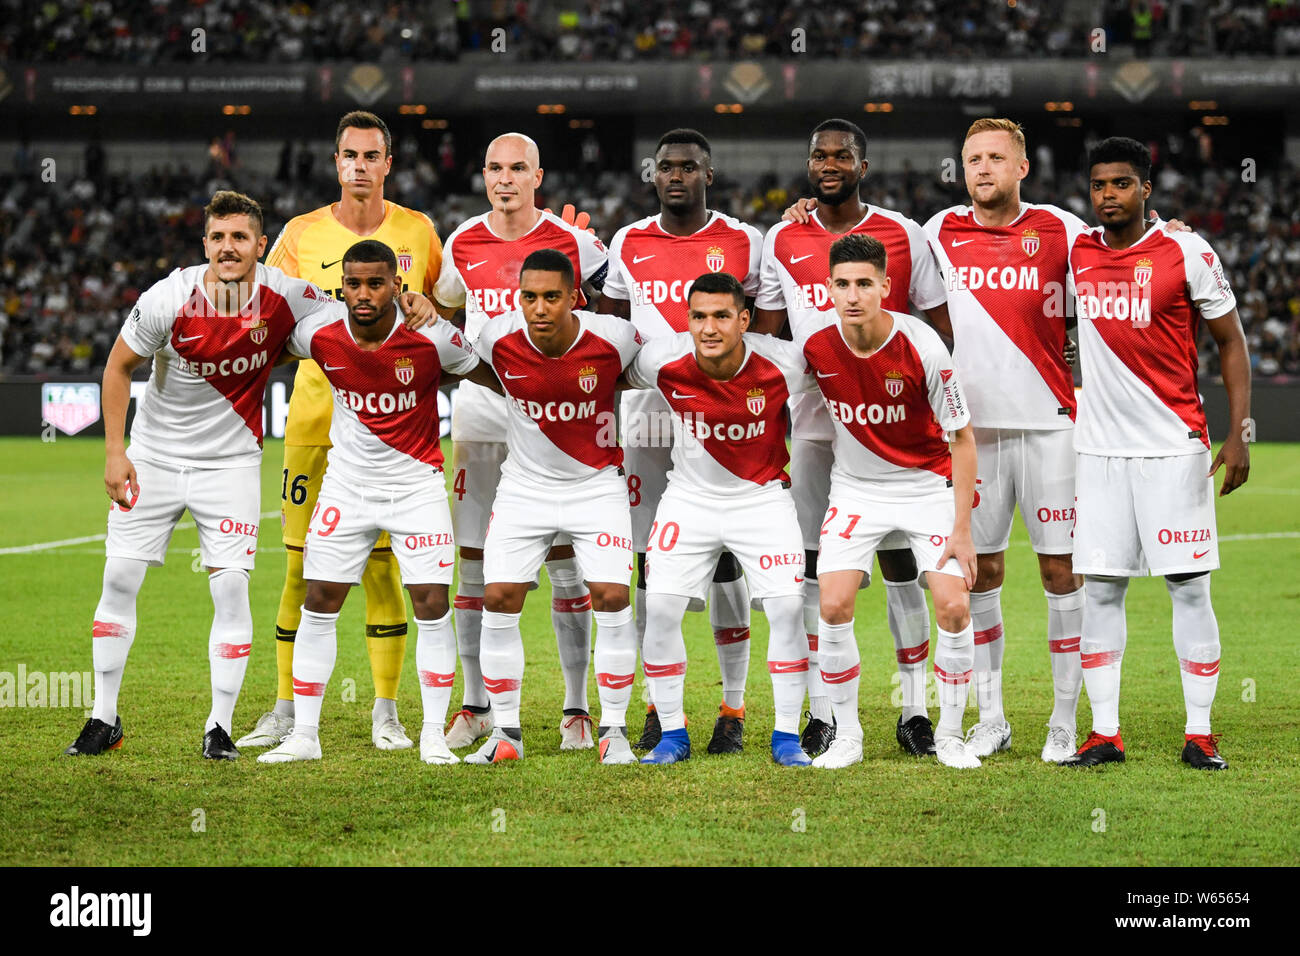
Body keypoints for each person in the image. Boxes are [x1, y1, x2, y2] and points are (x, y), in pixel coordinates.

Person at [65, 191, 337, 760]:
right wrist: (115, 454)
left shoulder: (286, 295)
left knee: (231, 588)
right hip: (156, 458)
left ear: (262, 246)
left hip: (231, 465)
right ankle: (103, 717)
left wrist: (410, 309)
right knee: (118, 579)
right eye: (218, 237)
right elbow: (117, 367)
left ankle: (218, 727)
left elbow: (351, 320)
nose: (228, 248)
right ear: (205, 243)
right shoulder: (170, 295)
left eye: (240, 238)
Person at [237, 111, 443, 754]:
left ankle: (386, 711)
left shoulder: (420, 232)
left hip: (396, 442)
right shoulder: (299, 234)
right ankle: (284, 708)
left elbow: (438, 317)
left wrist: (434, 309)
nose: (359, 165)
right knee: (300, 571)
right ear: (336, 163)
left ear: (388, 163)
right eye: (348, 155)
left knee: (385, 572)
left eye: (371, 155)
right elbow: (263, 314)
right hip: (312, 426)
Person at [258, 240, 501, 765]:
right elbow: (264, 346)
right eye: (353, 284)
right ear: (340, 286)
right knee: (318, 602)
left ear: (397, 285)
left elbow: (489, 374)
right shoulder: (319, 333)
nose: (363, 294)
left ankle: (433, 734)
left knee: (432, 608)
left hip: (416, 489)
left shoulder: (431, 337)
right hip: (346, 490)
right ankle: (305, 735)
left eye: (375, 283)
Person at [756, 119, 949, 758]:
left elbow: (937, 325)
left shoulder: (903, 233)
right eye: (819, 155)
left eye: (842, 155)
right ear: (808, 164)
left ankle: (914, 710)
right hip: (813, 430)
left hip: (890, 432)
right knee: (816, 570)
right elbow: (769, 337)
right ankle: (822, 711)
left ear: (863, 165)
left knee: (900, 565)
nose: (829, 163)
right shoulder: (782, 236)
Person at [1064, 136, 1250, 770]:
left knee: (1189, 589)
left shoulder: (1186, 249)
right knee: (1102, 593)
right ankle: (1105, 734)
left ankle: (1199, 734)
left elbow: (1231, 340)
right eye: (1098, 185)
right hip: (1097, 453)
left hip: (1174, 447)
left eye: (1121, 183)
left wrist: (1238, 430)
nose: (1108, 195)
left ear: (1146, 187)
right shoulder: (1076, 248)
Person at [922, 118, 1092, 762]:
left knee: (1061, 572)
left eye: (995, 157)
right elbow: (874, 253)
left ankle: (1064, 719)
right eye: (971, 159)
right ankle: (991, 717)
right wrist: (801, 208)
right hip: (974, 435)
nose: (982, 168)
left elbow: (1119, 266)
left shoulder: (1062, 229)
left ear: (1022, 167)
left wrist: (1171, 234)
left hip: (1052, 427)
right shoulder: (940, 231)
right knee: (980, 571)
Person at [435, 133, 609, 752]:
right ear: (483, 175)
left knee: (565, 567)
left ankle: (576, 709)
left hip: (555, 419)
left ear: (539, 176)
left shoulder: (577, 244)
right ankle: (478, 704)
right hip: (482, 415)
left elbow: (613, 310)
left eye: (518, 169)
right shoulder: (461, 243)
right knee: (476, 561)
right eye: (495, 169)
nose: (505, 179)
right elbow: (445, 308)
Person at [597, 128, 763, 754]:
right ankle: (655, 705)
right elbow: (612, 339)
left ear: (708, 175)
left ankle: (732, 709)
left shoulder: (746, 241)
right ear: (652, 174)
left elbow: (765, 334)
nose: (676, 176)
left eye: (689, 167)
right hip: (647, 424)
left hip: (723, 423)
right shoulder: (628, 240)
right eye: (666, 167)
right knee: (647, 569)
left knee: (725, 562)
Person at [798, 234, 980, 770]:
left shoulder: (923, 347)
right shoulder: (815, 345)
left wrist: (962, 529)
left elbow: (962, 437)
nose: (852, 295)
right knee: (832, 605)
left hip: (926, 487)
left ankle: (949, 734)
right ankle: (848, 735)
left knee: (953, 606)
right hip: (856, 491)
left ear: (885, 286)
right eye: (842, 284)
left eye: (863, 284)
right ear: (828, 288)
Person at [625, 272, 814, 767]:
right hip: (689, 499)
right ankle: (672, 734)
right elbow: (609, 370)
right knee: (660, 608)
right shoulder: (662, 359)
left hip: (762, 500)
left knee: (788, 610)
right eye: (700, 316)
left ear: (744, 320)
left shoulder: (785, 363)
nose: (709, 328)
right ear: (687, 319)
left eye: (722, 316)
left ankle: (786, 738)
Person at [464, 249, 642, 765]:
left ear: (573, 298)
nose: (538, 308)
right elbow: (468, 366)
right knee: (497, 596)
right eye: (528, 297)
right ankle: (507, 736)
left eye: (550, 297)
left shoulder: (615, 338)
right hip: (524, 489)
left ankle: (613, 732)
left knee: (610, 595)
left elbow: (650, 372)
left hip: (596, 486)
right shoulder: (498, 337)